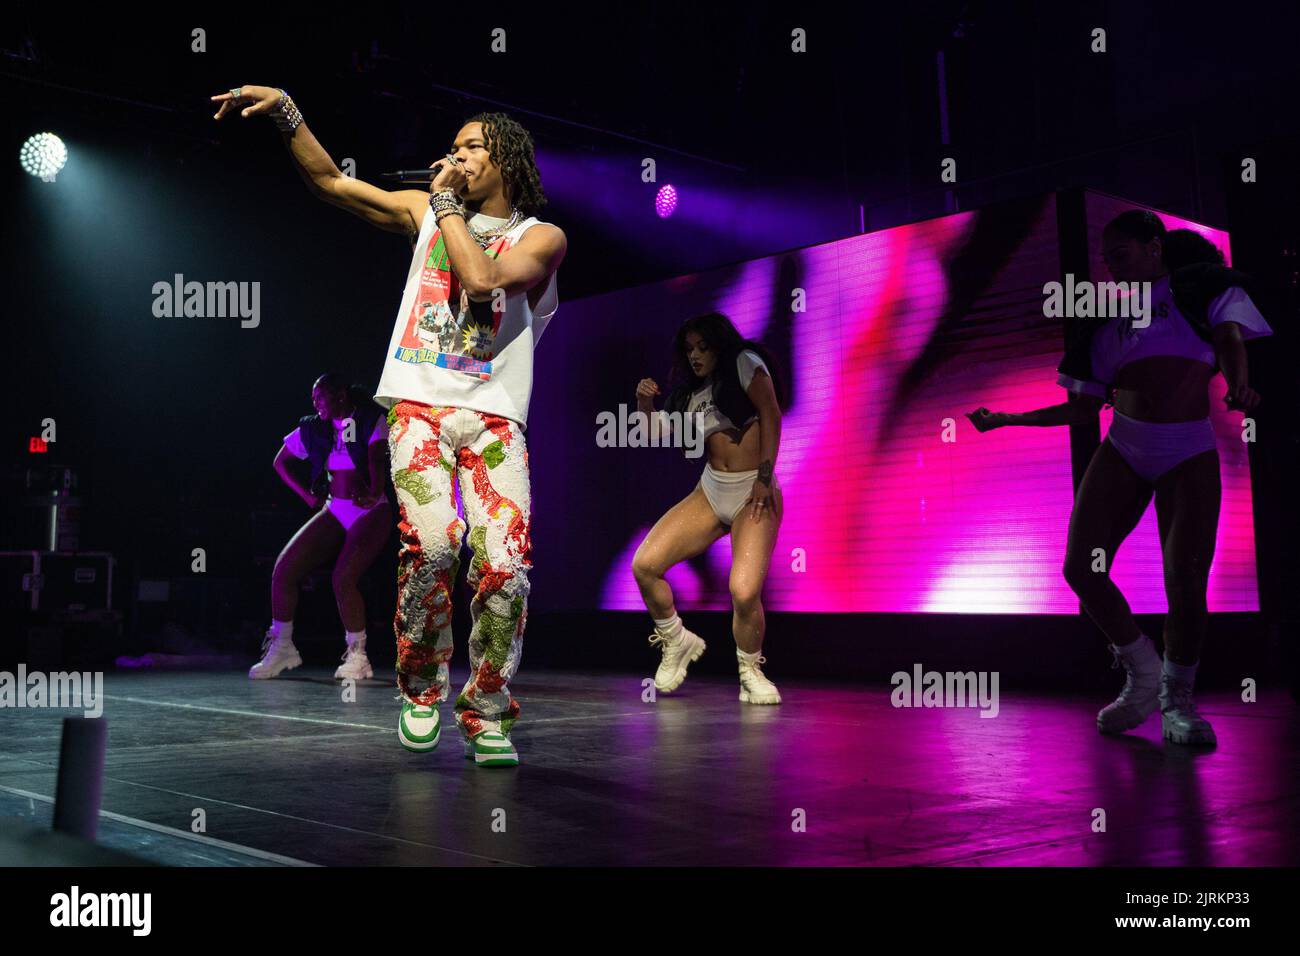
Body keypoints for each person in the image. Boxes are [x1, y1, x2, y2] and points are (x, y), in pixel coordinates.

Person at [213, 86, 566, 767]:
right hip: (419, 408)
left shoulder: (541, 238)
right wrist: (290, 110)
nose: (455, 156)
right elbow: (331, 181)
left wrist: (444, 205)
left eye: (471, 147)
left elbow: (482, 280)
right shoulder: (426, 213)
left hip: (494, 419)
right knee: (433, 549)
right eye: (454, 146)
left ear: (507, 162)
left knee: (506, 568)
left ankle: (488, 709)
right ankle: (421, 688)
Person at [967, 210, 1271, 745]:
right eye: (1106, 259)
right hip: (1125, 445)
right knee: (1080, 569)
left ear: (1154, 249)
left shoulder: (1199, 290)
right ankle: (1142, 672)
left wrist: (1241, 385)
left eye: (1121, 255)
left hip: (1187, 449)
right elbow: (1083, 410)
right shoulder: (1102, 320)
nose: (1111, 267)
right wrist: (1007, 419)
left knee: (1185, 581)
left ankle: (1178, 704)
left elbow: (1229, 339)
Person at [631, 312, 788, 704]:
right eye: (690, 350)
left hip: (755, 490)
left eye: (703, 347)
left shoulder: (743, 363)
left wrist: (765, 478)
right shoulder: (689, 395)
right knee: (645, 565)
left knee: (743, 590)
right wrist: (643, 402)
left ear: (718, 344)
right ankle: (676, 640)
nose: (696, 356)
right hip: (711, 489)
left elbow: (770, 412)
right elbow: (653, 434)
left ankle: (751, 671)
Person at [251, 374, 391, 681]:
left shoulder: (370, 418)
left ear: (340, 395)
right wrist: (306, 495)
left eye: (320, 397)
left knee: (344, 577)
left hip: (370, 511)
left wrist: (373, 491)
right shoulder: (314, 427)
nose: (315, 404)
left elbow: (377, 460)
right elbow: (280, 462)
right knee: (284, 570)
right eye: (313, 399)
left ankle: (358, 656)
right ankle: (283, 647)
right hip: (334, 508)